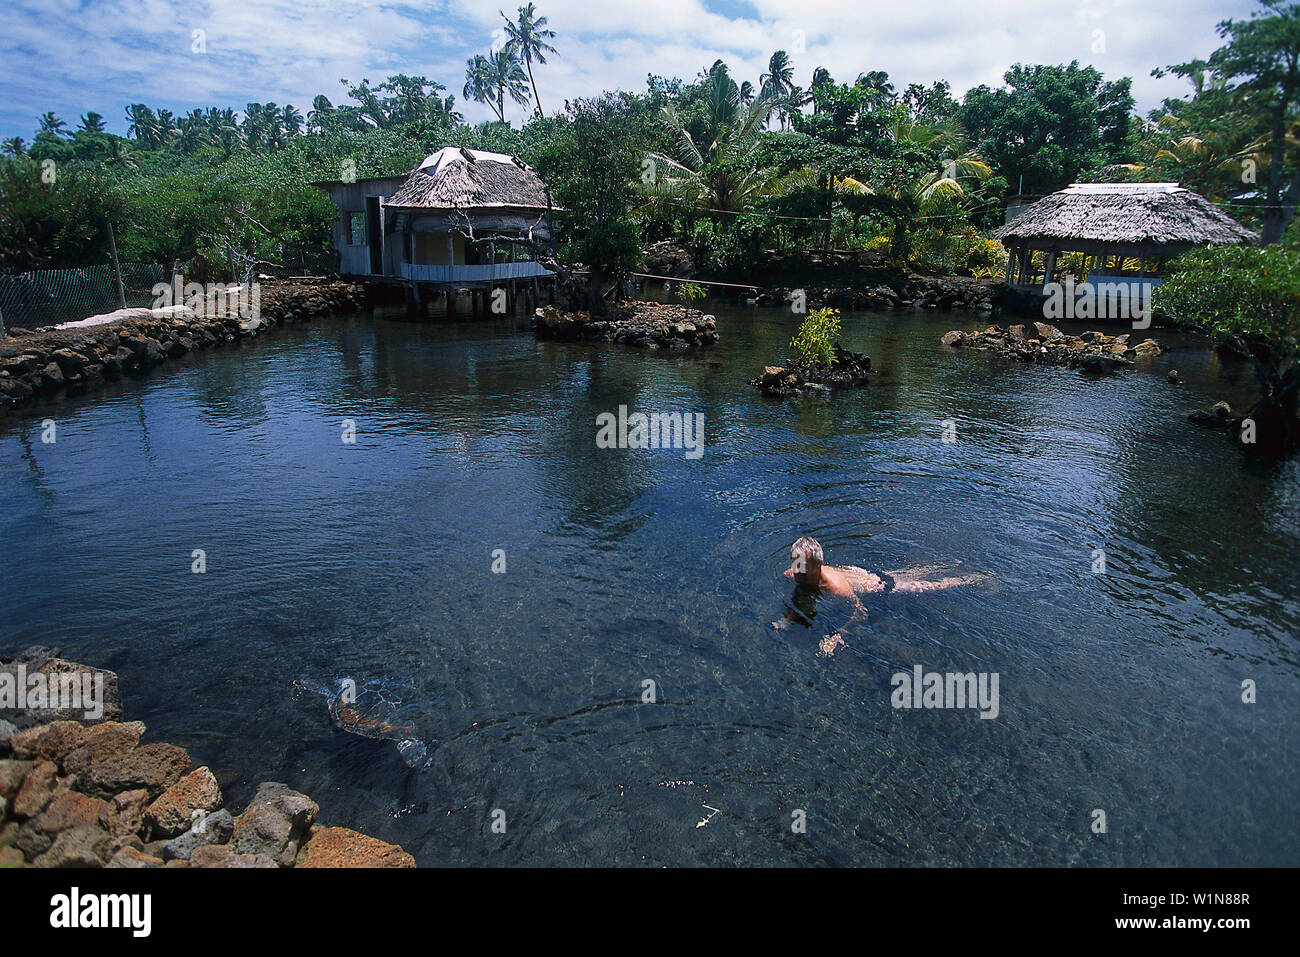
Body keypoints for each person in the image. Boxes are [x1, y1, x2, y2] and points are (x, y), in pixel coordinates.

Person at [776, 536, 989, 656]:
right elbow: (799, 598)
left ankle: (970, 579)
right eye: (795, 563)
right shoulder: (794, 572)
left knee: (929, 586)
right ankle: (952, 567)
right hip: (857, 574)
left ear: (819, 564)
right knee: (915, 574)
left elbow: (860, 613)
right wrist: (787, 619)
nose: (797, 571)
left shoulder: (836, 587)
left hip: (877, 584)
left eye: (803, 566)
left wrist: (837, 636)